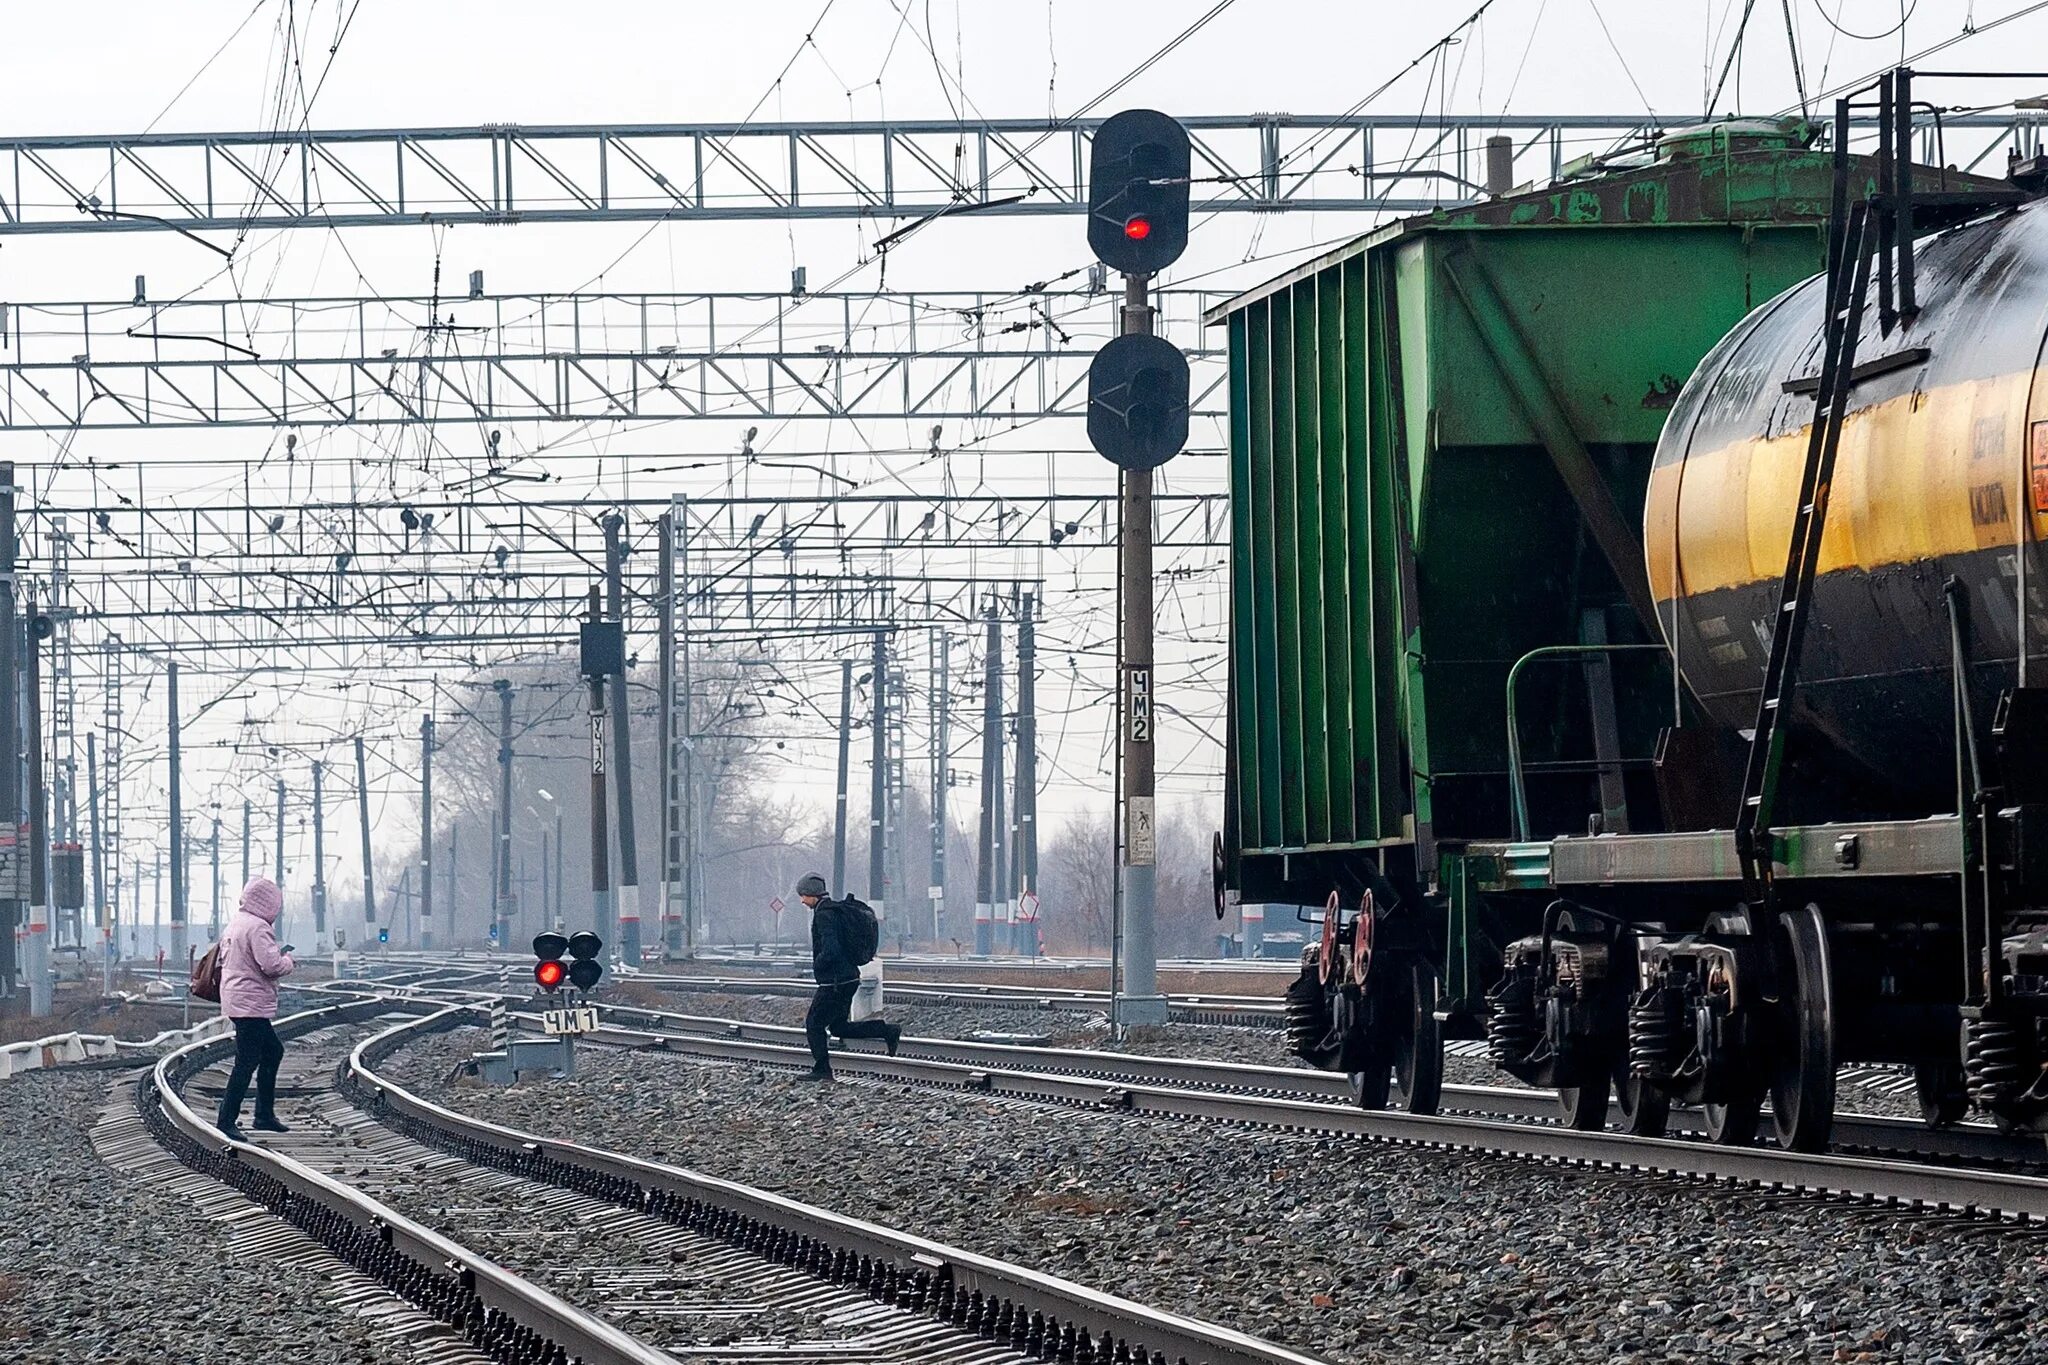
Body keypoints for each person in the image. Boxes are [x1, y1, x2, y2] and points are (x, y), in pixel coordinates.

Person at [795, 872, 899, 1081]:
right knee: (838, 1026)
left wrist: (819, 963)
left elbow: (831, 948)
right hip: (848, 978)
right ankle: (887, 1030)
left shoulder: (824, 914)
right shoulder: (834, 910)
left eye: (803, 895)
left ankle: (822, 1069)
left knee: (814, 1024)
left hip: (835, 982)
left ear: (812, 894)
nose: (802, 900)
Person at [215, 876, 297, 1140]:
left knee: (273, 1051)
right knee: (247, 1060)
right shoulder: (258, 927)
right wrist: (288, 960)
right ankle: (227, 1120)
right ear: (268, 903)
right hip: (250, 1001)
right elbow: (270, 966)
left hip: (238, 999)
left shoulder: (236, 923)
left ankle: (264, 1115)